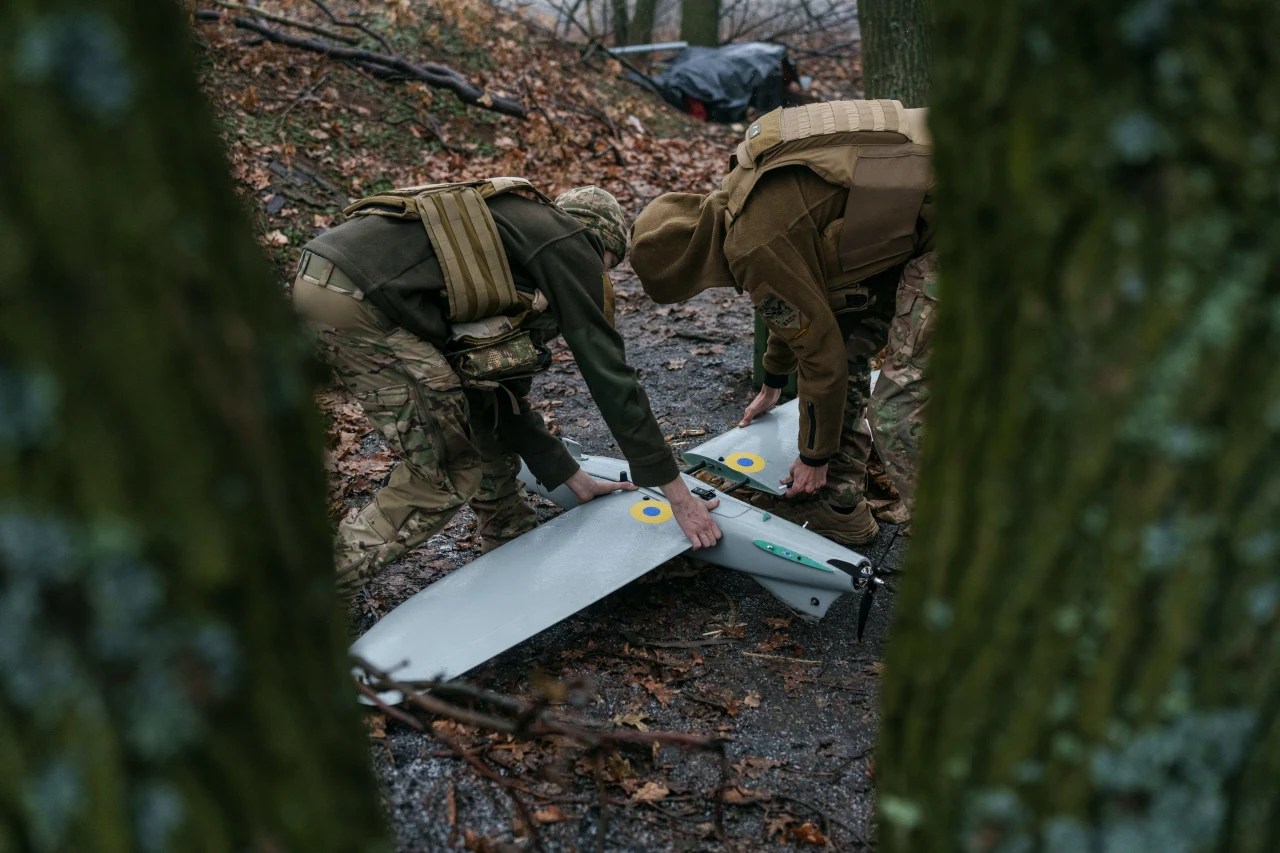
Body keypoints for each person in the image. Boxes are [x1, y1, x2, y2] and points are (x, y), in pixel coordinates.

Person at [293, 179, 721, 597]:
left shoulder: (512, 243)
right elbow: (610, 377)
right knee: (443, 476)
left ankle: (509, 535)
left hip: (323, 278)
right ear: (603, 248)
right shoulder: (572, 245)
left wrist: (568, 473)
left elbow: (492, 397)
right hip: (359, 301)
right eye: (606, 269)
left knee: (465, 412)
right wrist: (676, 493)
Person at [630, 99, 935, 546]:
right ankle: (838, 507)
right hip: (929, 209)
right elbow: (799, 307)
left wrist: (814, 457)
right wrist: (773, 380)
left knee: (898, 409)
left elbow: (819, 356)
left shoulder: (753, 247)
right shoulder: (742, 195)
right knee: (847, 339)